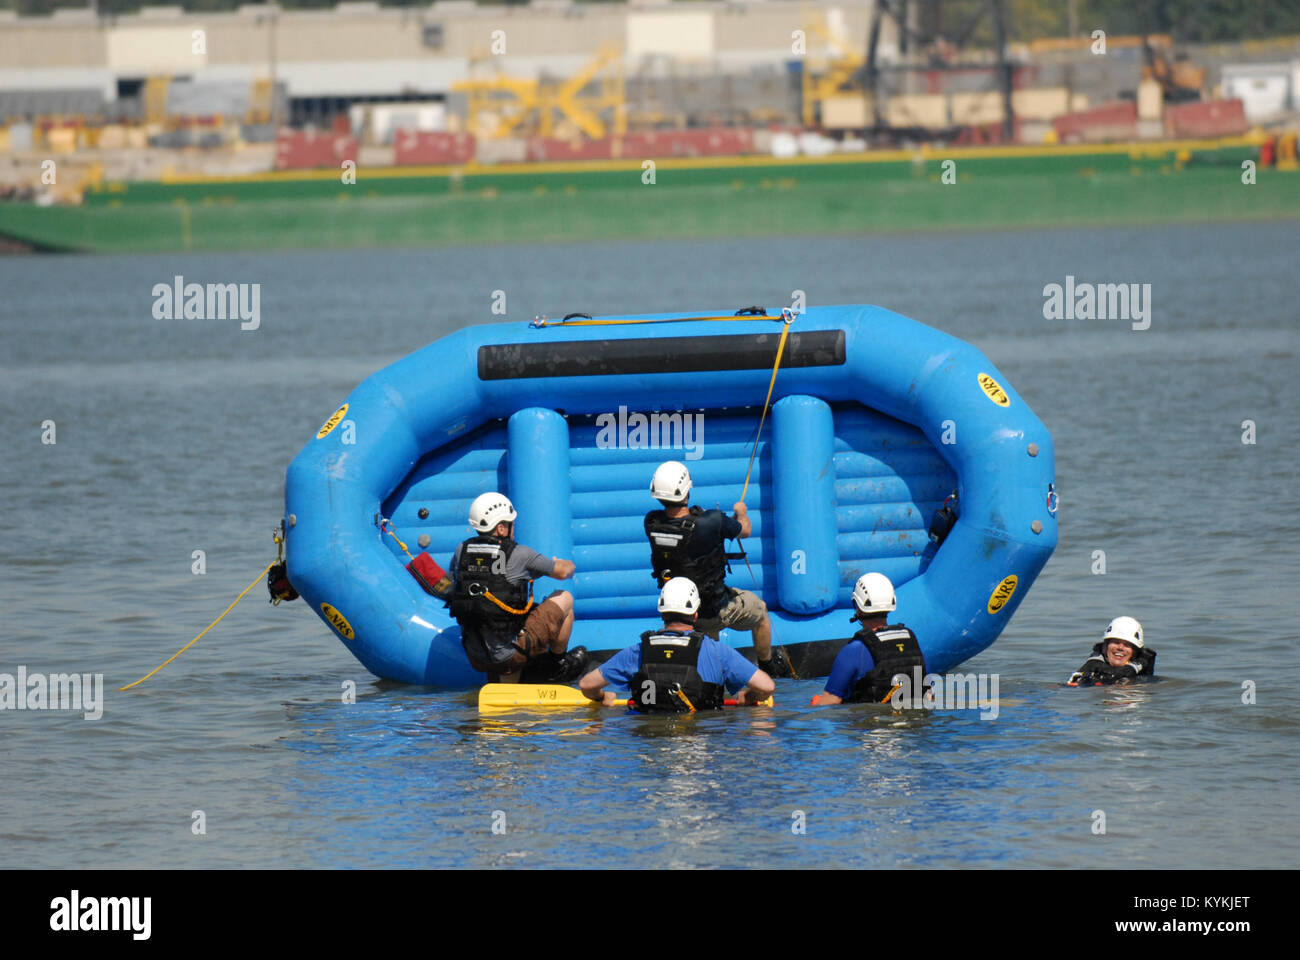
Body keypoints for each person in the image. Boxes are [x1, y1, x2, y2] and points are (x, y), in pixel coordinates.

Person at [643, 460, 792, 677]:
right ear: (686, 489)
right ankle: (767, 665)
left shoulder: (651, 522)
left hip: (677, 611)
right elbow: (746, 530)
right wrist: (740, 512)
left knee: (708, 665)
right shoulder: (711, 521)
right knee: (760, 611)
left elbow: (684, 534)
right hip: (714, 609)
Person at [579, 577, 775, 712]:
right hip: (703, 737)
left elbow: (587, 685)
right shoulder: (717, 652)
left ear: (662, 613)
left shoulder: (637, 652)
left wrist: (601, 698)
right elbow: (766, 687)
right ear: (696, 615)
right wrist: (748, 697)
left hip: (649, 742)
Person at [449, 492, 587, 684]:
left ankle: (511, 681)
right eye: (511, 524)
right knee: (564, 598)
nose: (514, 529)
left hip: (476, 657)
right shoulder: (520, 554)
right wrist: (564, 563)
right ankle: (557, 666)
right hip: (510, 655)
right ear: (501, 529)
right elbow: (564, 572)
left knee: (507, 617)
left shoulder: (461, 550)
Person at [810, 572, 926, 706]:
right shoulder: (911, 641)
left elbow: (828, 705)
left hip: (869, 724)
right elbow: (929, 693)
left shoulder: (853, 651)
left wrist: (816, 704)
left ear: (857, 606)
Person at [1067, 617, 1156, 686]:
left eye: (1127, 645)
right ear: (1105, 647)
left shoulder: (1143, 676)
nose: (1120, 648)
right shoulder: (1089, 673)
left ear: (1134, 652)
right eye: (1116, 642)